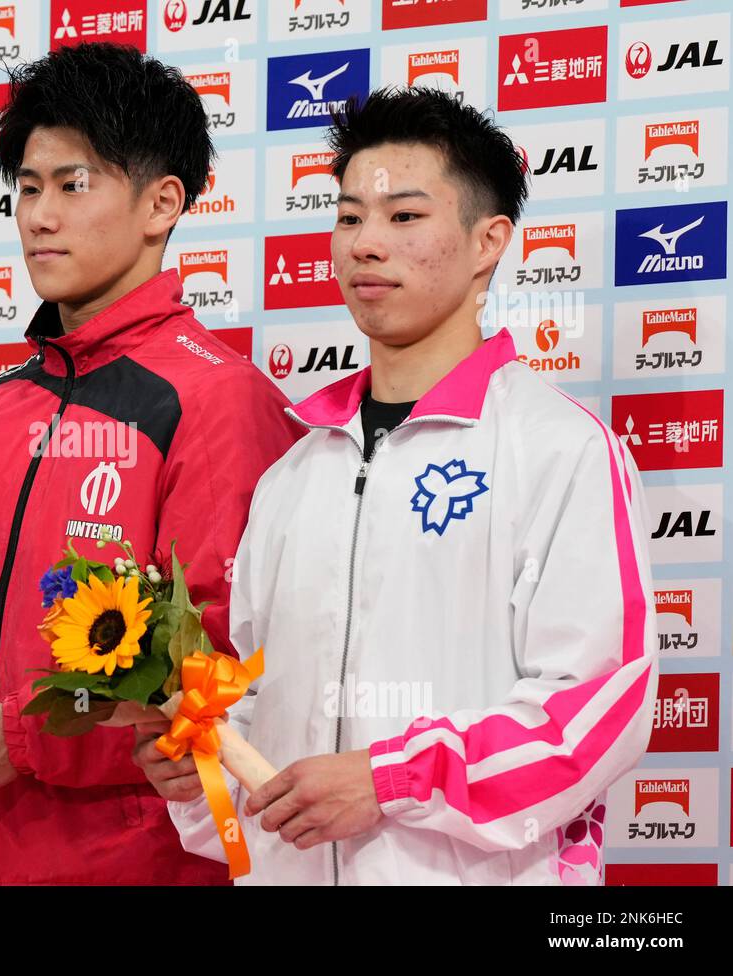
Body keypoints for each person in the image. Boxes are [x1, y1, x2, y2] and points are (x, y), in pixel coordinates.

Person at [136, 87, 659, 885]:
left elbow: (596, 715)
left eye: (404, 217)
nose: (365, 244)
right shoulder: (292, 476)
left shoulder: (559, 451)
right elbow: (253, 710)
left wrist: (395, 779)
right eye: (348, 218)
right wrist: (198, 767)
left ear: (490, 242)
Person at [0, 42, 298, 884]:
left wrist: (15, 739)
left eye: (73, 185)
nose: (40, 216)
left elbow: (222, 675)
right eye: (28, 188)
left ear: (162, 202)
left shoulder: (218, 400)